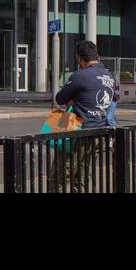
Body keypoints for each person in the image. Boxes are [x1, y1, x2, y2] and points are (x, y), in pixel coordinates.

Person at [49, 40, 117, 193]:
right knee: (85, 174)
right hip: (98, 132)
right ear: (96, 56)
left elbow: (60, 98)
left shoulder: (80, 75)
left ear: (79, 58)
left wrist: (74, 98)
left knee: (60, 175)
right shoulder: (109, 76)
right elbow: (111, 100)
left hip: (79, 133)